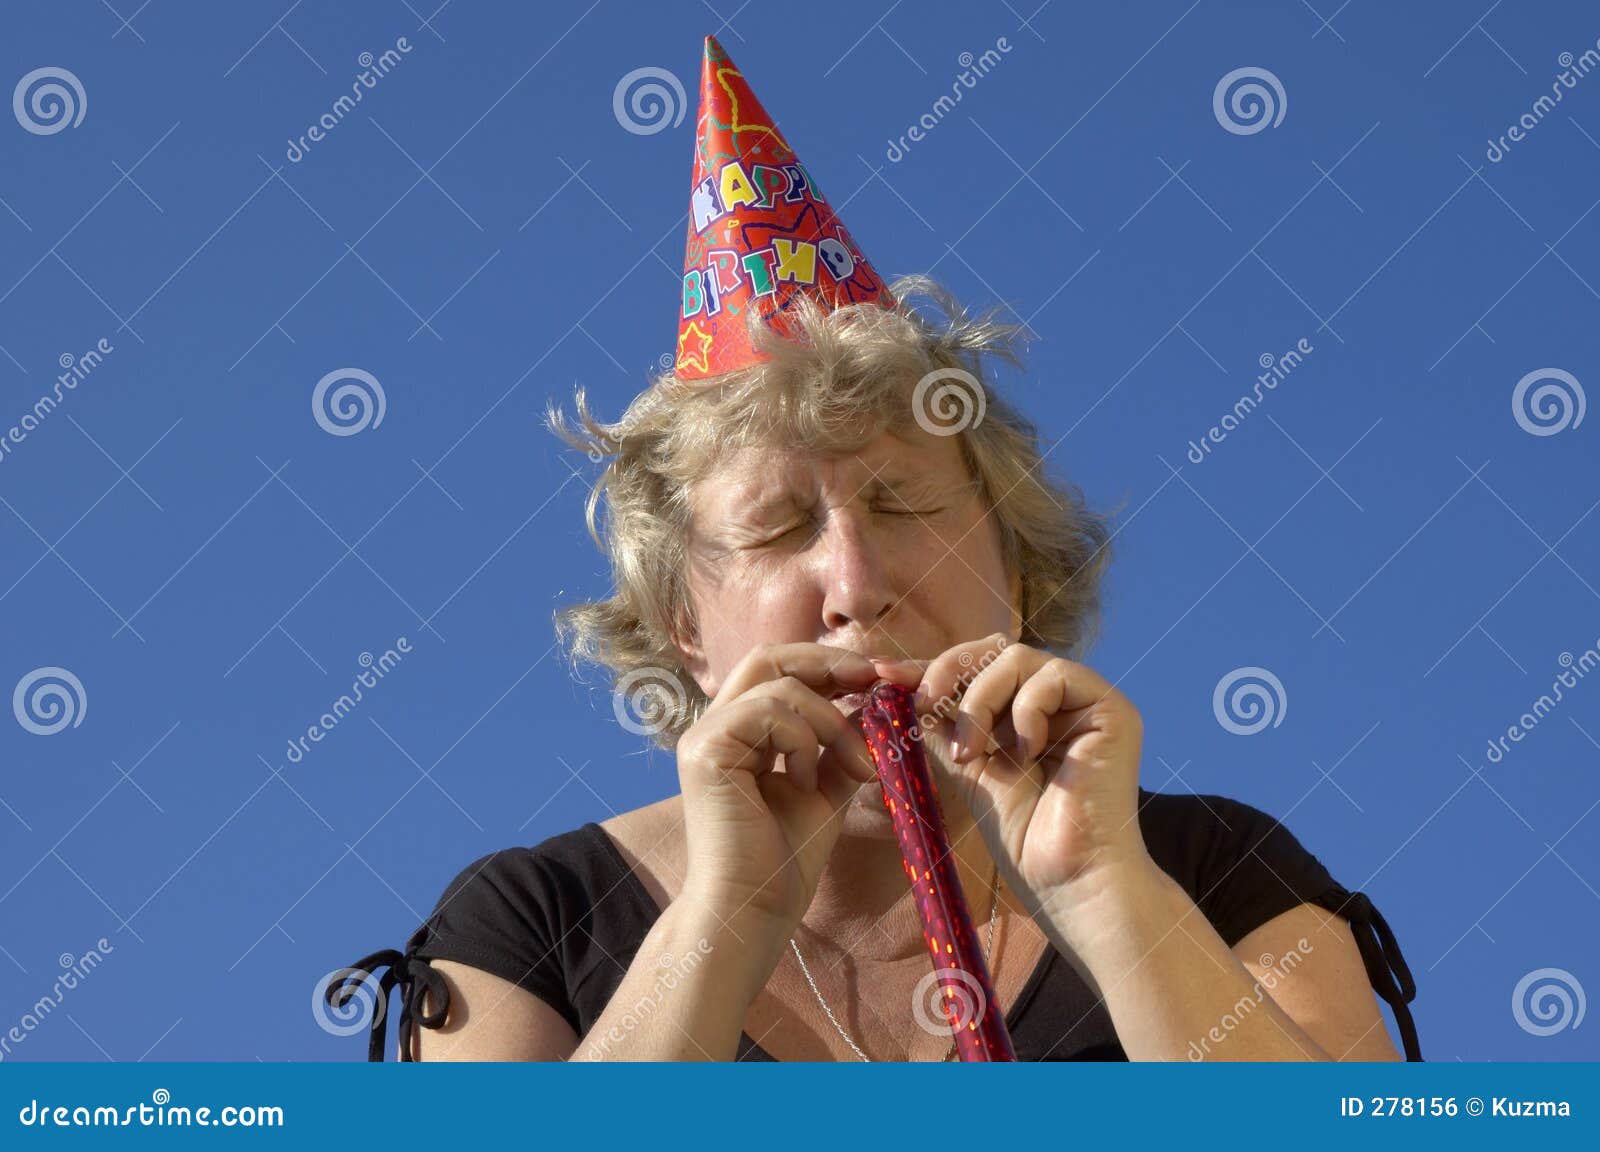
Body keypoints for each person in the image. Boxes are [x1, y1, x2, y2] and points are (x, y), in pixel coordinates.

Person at [327, 35, 1420, 1063]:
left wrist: (1102, 890)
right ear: (682, 630)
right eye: (776, 528)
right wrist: (732, 915)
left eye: (903, 508)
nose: (856, 584)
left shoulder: (1210, 873)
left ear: (1021, 577)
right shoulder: (536, 919)